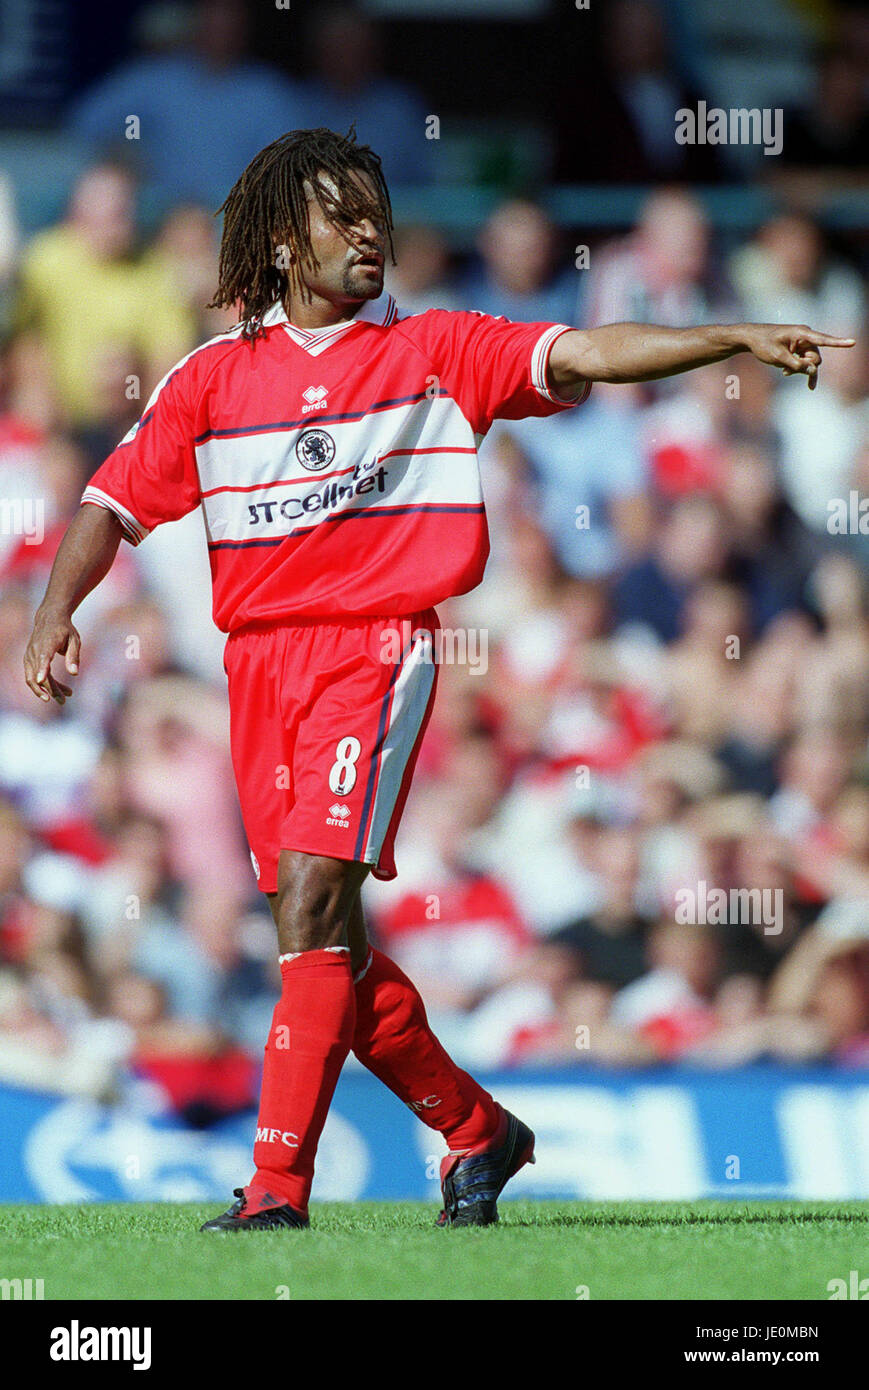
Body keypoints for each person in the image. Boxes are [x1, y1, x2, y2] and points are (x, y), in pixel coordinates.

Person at [23, 126, 854, 1233]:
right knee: (322, 945)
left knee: (317, 900)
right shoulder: (211, 379)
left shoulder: (433, 347)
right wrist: (52, 612)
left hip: (374, 645)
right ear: (279, 241)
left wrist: (727, 339)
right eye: (340, 214)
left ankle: (275, 1194)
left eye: (377, 213)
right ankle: (477, 1130)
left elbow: (586, 352)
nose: (369, 232)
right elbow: (109, 502)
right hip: (256, 667)